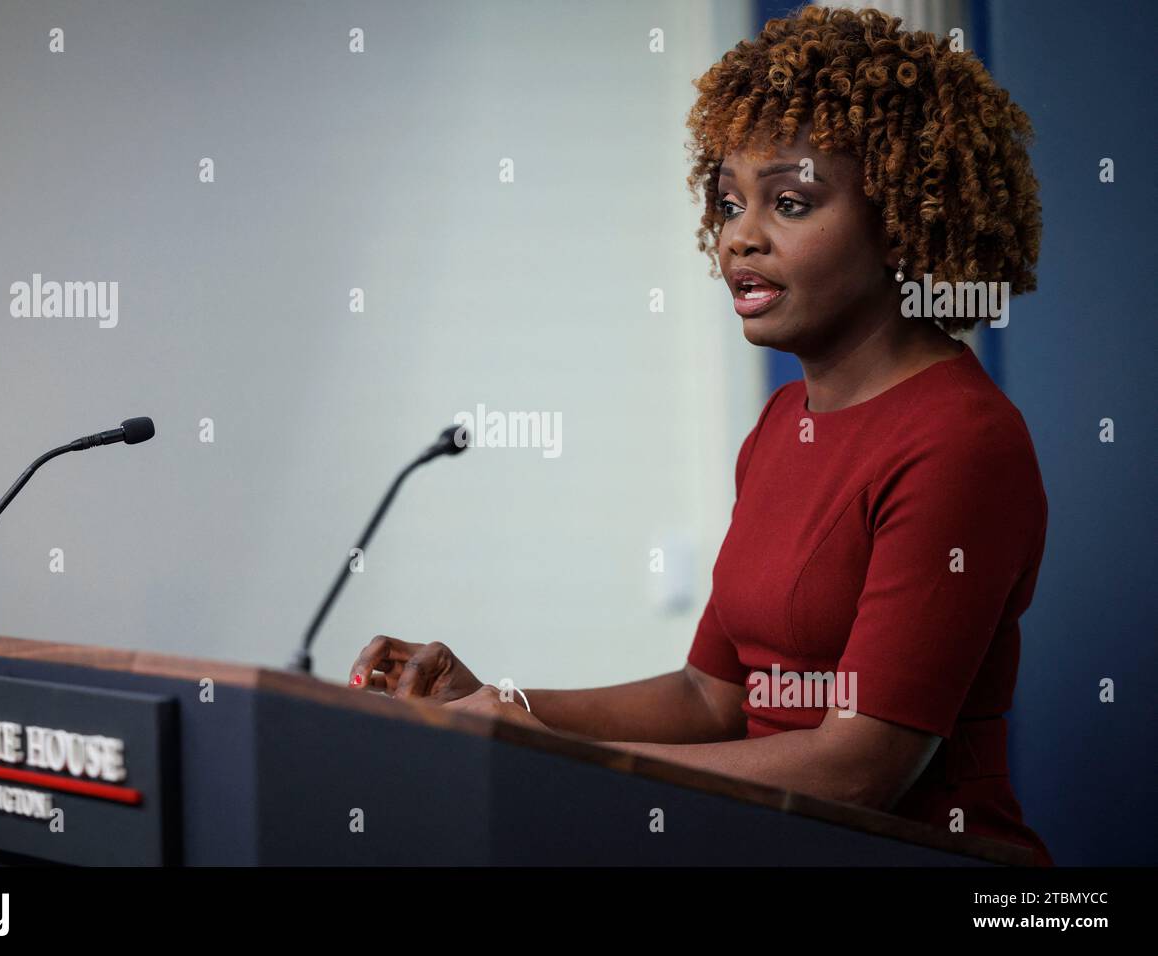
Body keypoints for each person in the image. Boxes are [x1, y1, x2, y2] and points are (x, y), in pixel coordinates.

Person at [348, 5, 1051, 866]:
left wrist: (548, 753)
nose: (738, 238)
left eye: (789, 202)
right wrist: (506, 702)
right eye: (728, 203)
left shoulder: (960, 439)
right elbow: (710, 695)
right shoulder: (779, 427)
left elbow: (861, 767)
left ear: (902, 218)